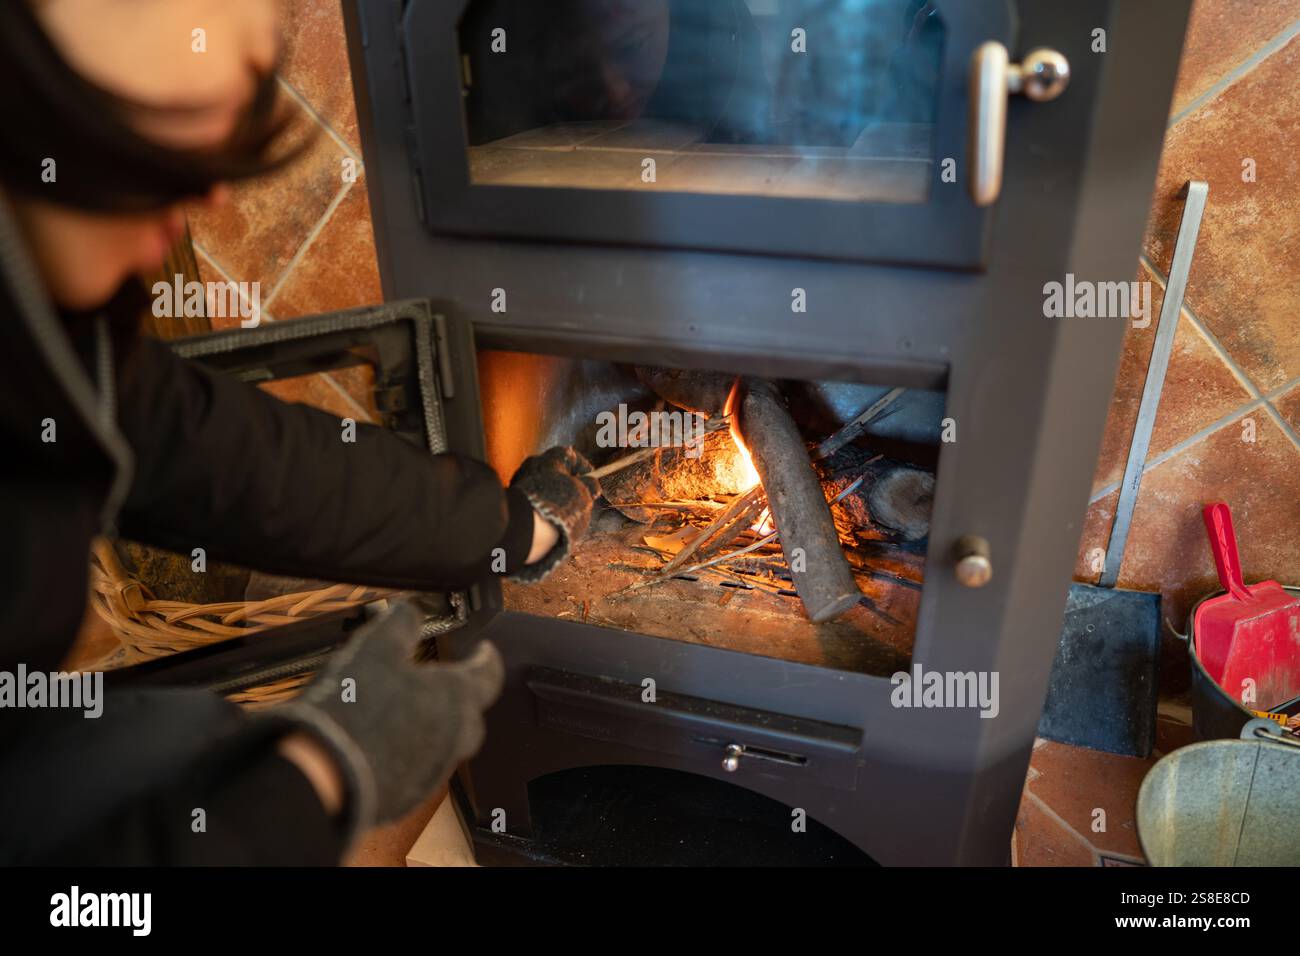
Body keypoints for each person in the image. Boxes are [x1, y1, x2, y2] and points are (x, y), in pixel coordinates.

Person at [0, 0, 599, 864]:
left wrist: (507, 530)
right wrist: (323, 771)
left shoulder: (45, 323)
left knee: (177, 740)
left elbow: (226, 456)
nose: (211, 194)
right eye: (169, 147)